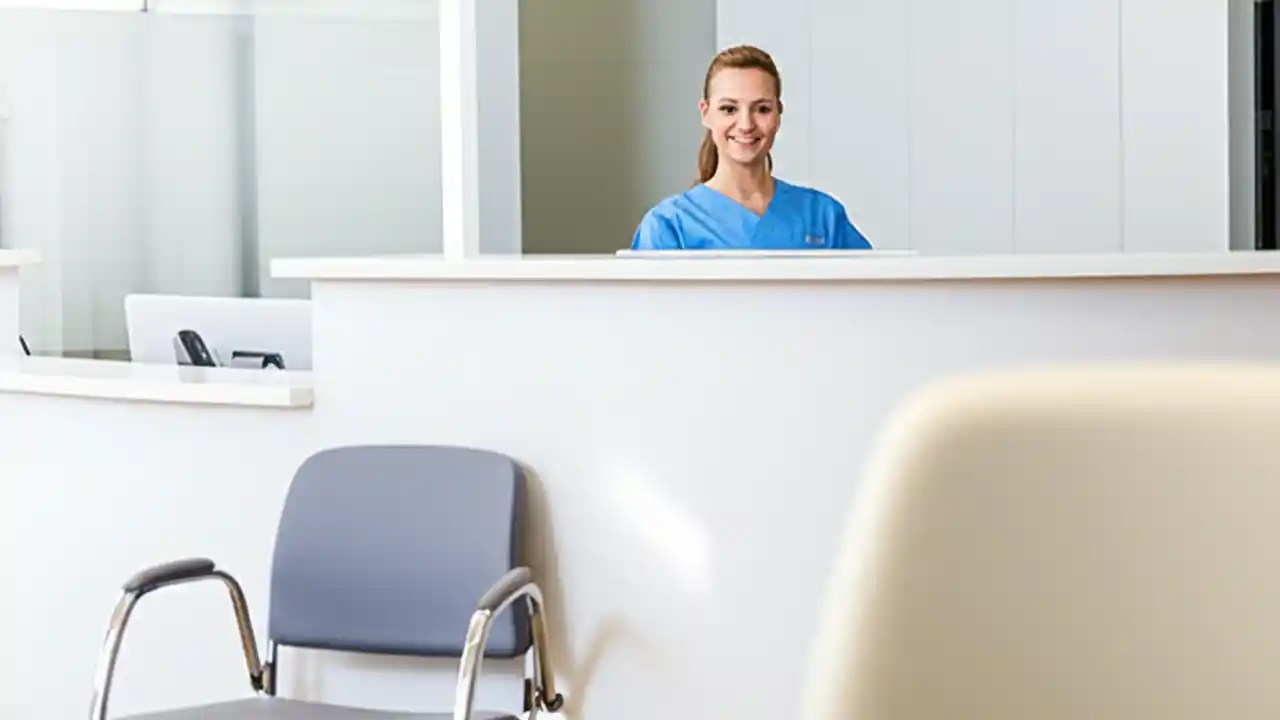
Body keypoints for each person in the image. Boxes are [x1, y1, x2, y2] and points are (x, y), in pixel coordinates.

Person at [631, 45, 873, 251]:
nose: (746, 125)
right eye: (728, 109)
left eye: (762, 109)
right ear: (706, 114)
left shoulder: (822, 217)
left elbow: (873, 298)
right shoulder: (669, 226)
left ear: (778, 115)